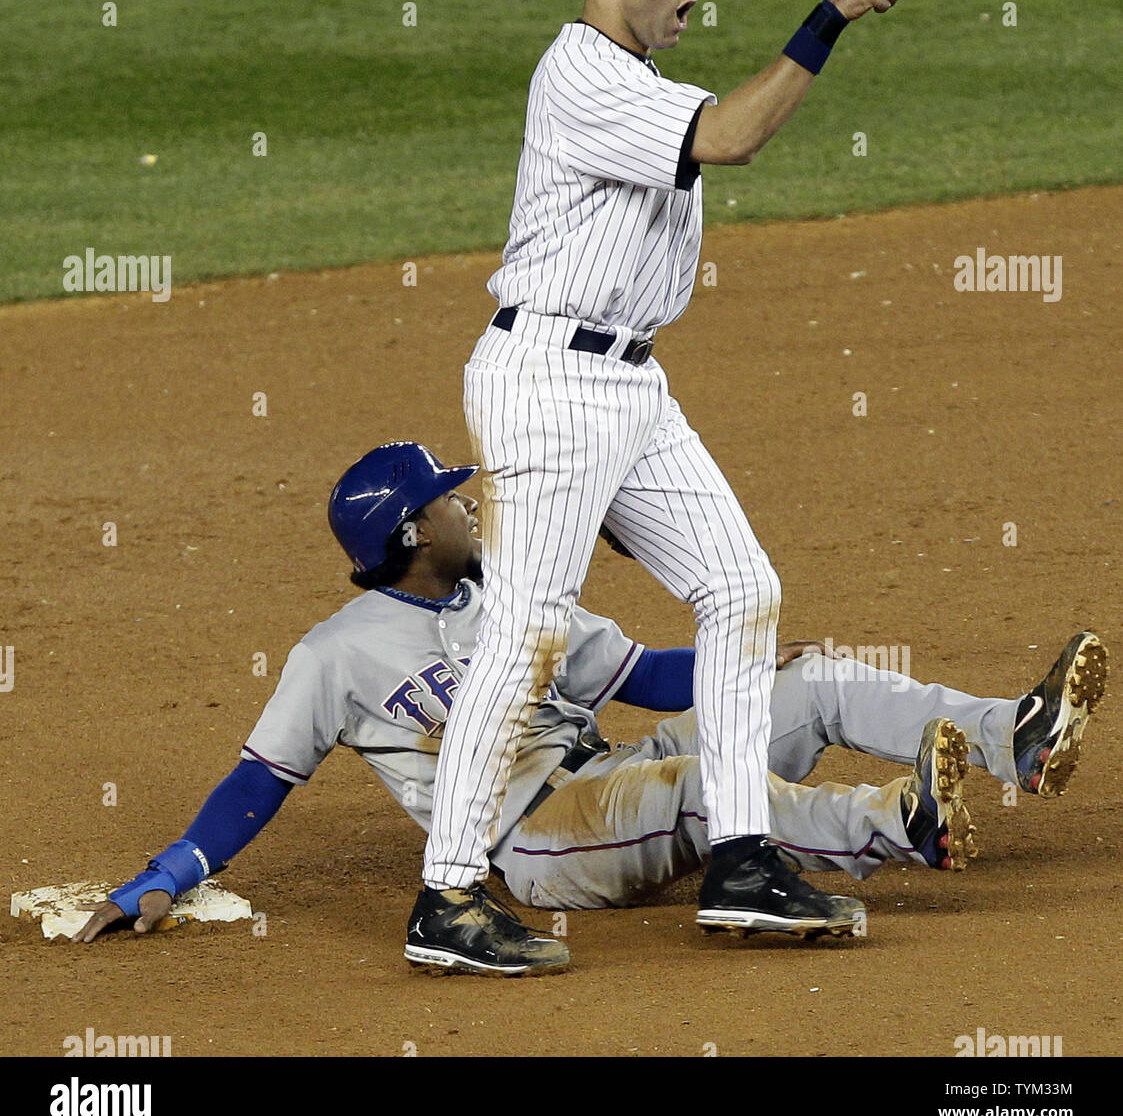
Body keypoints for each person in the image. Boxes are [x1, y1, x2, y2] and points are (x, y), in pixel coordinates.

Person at [413, 0, 928, 971]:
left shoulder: (642, 80)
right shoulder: (581, 73)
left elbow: (716, 131)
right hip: (549, 381)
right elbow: (734, 136)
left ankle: (741, 857)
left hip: (629, 388)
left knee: (741, 586)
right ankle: (446, 895)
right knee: (525, 636)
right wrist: (826, 17)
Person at [74, 443, 1108, 981]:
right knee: (712, 790)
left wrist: (738, 664)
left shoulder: (513, 594)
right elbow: (261, 778)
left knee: (811, 680)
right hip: (541, 841)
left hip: (610, 769)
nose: (467, 501)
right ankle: (899, 825)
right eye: (446, 500)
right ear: (407, 534)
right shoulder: (334, 655)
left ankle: (1007, 737)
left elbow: (645, 677)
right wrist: (167, 875)